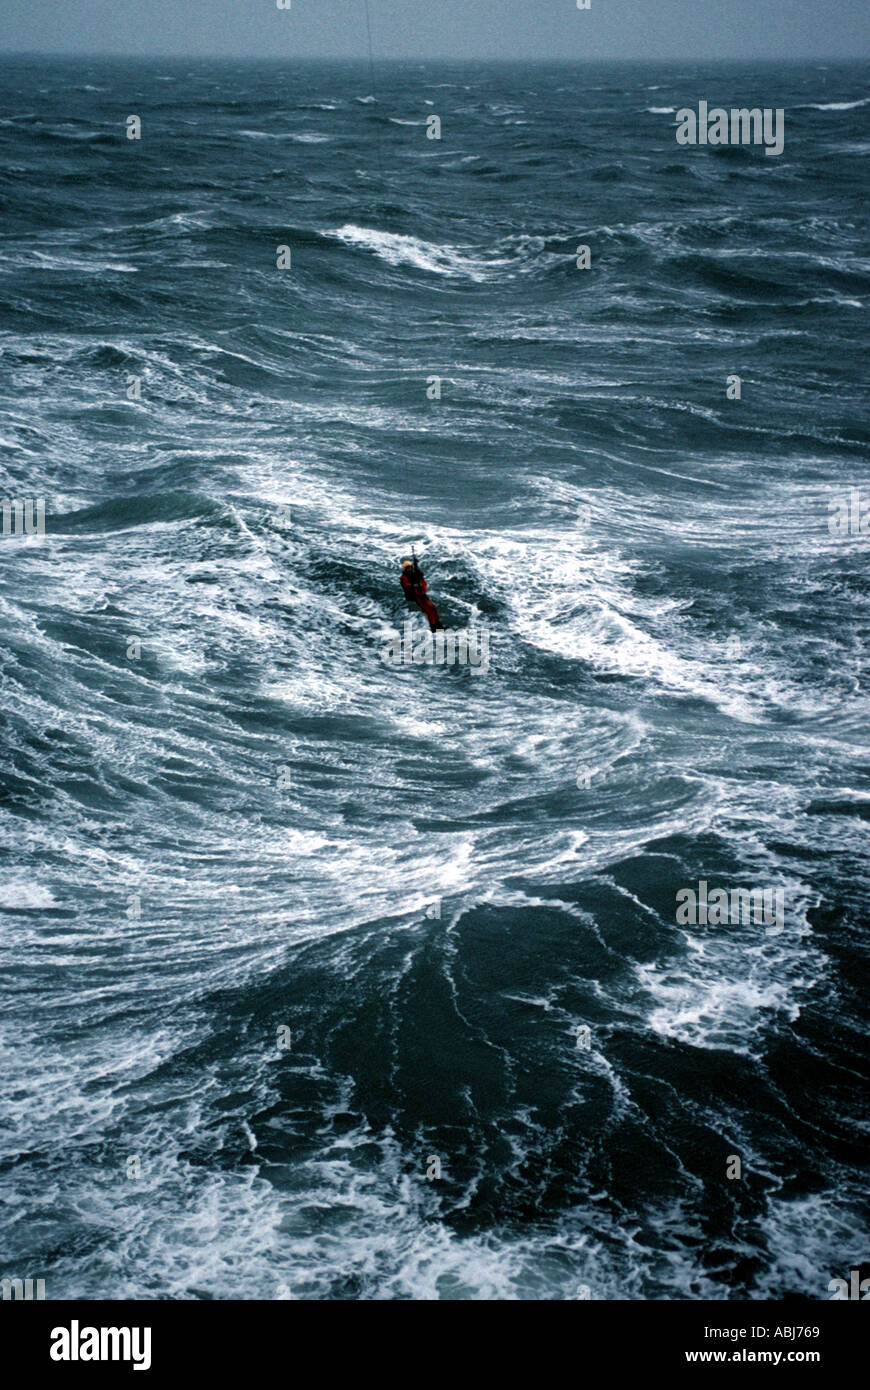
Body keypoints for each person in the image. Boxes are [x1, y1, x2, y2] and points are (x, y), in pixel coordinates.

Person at [400, 557, 444, 632]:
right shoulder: (403, 577)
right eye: (408, 568)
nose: (410, 569)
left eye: (411, 567)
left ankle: (440, 627)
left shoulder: (414, 573)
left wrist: (417, 566)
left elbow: (420, 575)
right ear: (405, 569)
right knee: (428, 611)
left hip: (421, 594)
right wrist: (414, 585)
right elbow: (406, 585)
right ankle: (434, 629)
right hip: (415, 595)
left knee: (433, 608)